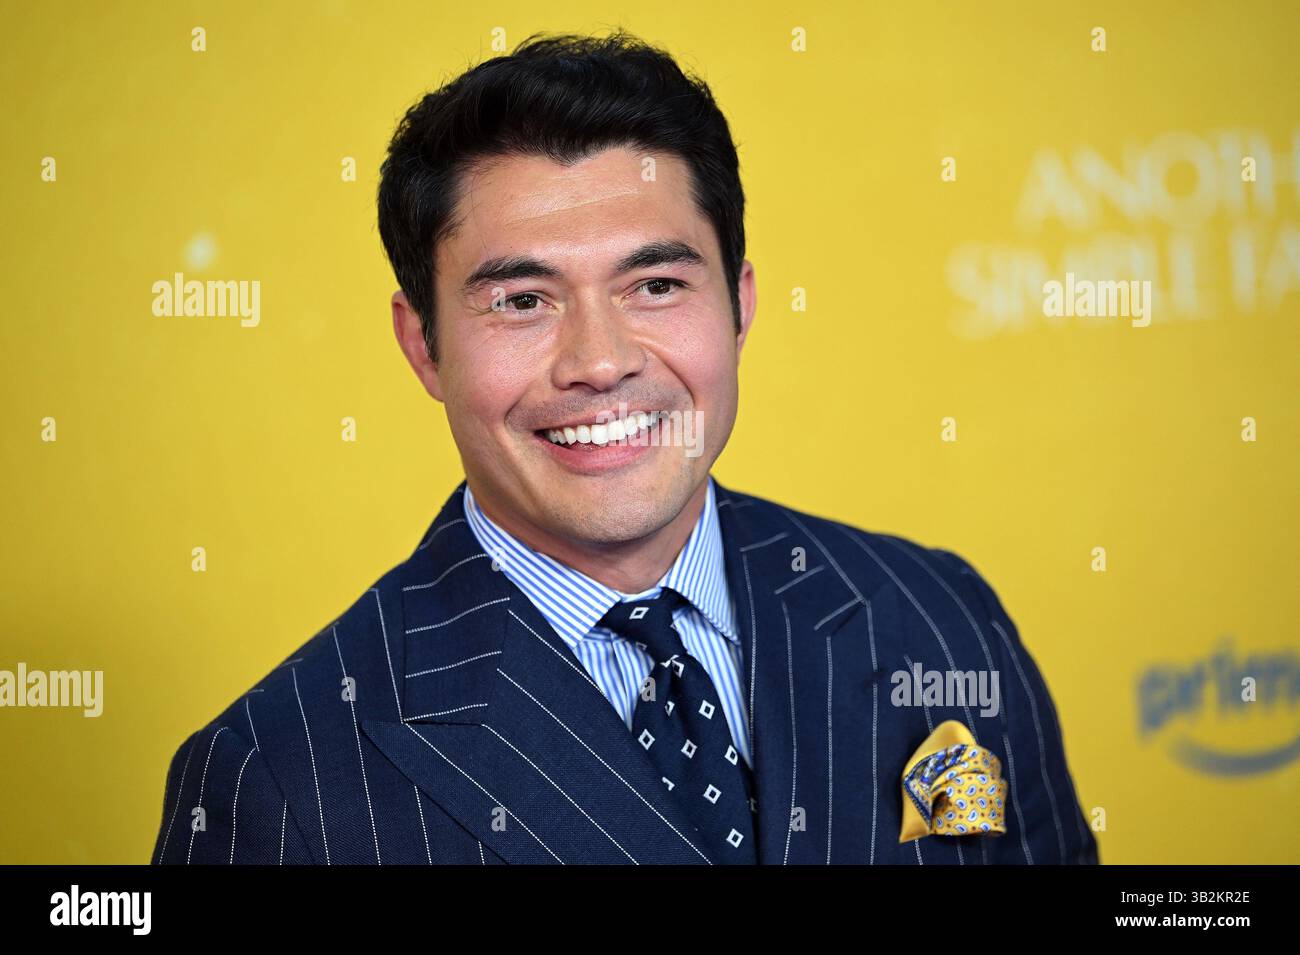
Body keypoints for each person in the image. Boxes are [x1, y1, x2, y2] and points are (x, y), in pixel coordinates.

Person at [151, 31, 1097, 865]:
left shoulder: (938, 619)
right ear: (422, 344)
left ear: (741, 304)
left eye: (654, 285)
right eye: (523, 301)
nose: (599, 362)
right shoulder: (276, 775)